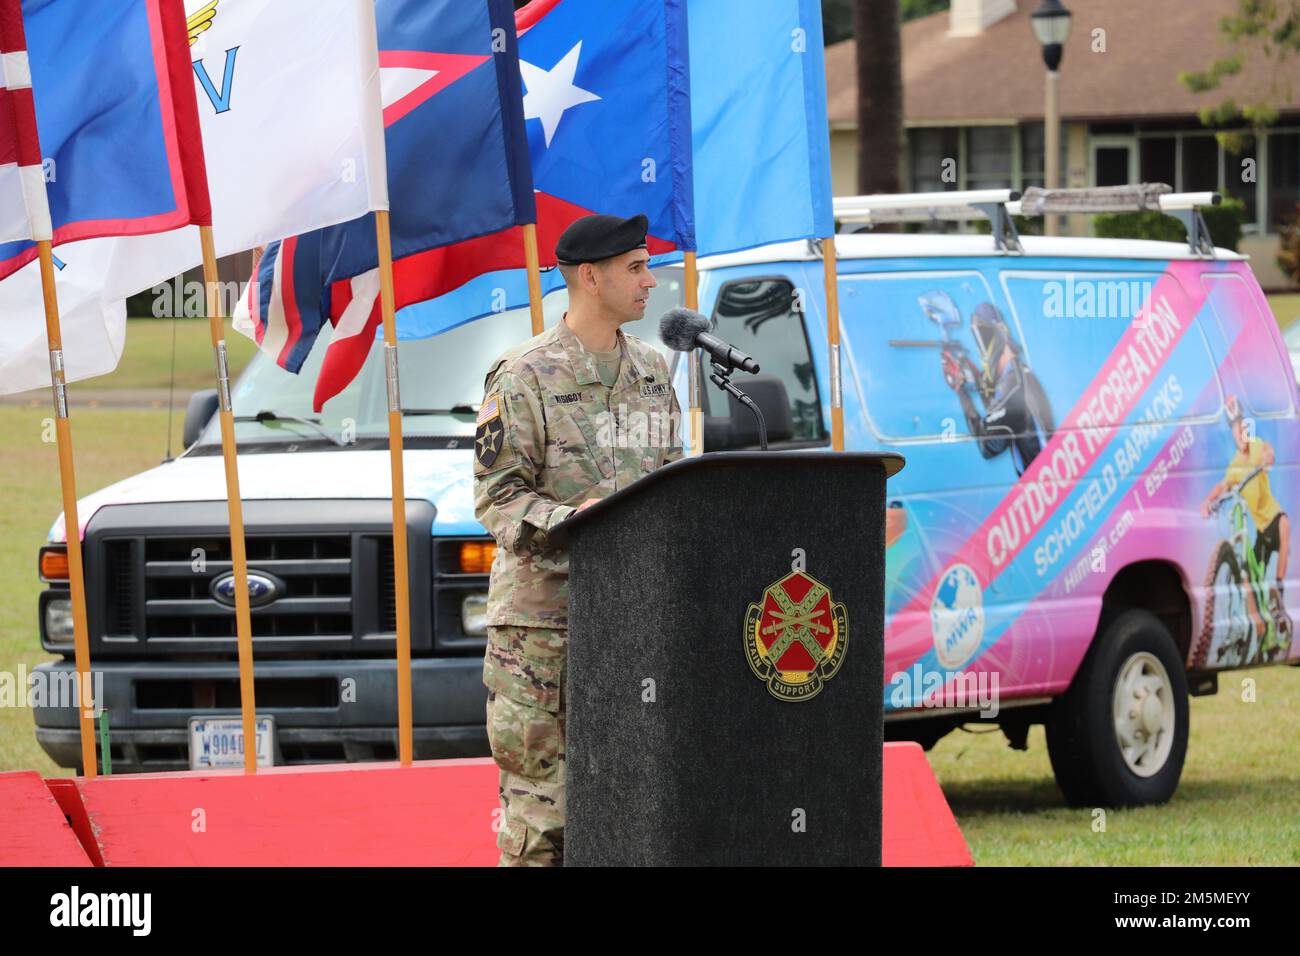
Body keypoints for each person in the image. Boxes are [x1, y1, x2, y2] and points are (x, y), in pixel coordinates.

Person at [472, 212, 684, 865]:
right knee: (545, 819)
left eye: (649, 266)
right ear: (591, 278)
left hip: (633, 627)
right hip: (544, 636)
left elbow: (673, 485)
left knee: (631, 808)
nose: (651, 281)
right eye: (636, 268)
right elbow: (497, 497)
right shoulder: (524, 374)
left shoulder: (652, 370)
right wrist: (577, 522)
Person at [1200, 395, 1291, 649]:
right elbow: (1223, 485)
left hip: (1272, 518)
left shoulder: (1255, 448)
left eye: (1242, 429)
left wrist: (1268, 458)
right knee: (1248, 574)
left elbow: (1267, 450)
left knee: (1285, 525)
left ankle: (1279, 588)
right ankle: (1258, 625)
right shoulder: (1236, 464)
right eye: (1235, 432)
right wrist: (1208, 500)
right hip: (1260, 531)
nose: (1240, 435)